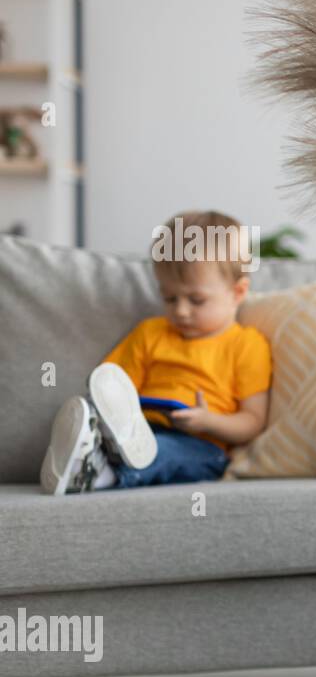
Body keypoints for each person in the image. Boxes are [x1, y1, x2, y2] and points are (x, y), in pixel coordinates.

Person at [41, 210, 272, 494]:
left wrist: (208, 421)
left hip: (202, 444)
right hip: (139, 430)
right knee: (130, 439)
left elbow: (252, 422)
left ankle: (99, 474)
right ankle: (85, 452)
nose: (181, 311)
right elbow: (112, 385)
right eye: (169, 298)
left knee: (165, 452)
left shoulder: (248, 345)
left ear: (238, 292)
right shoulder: (150, 333)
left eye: (196, 300)